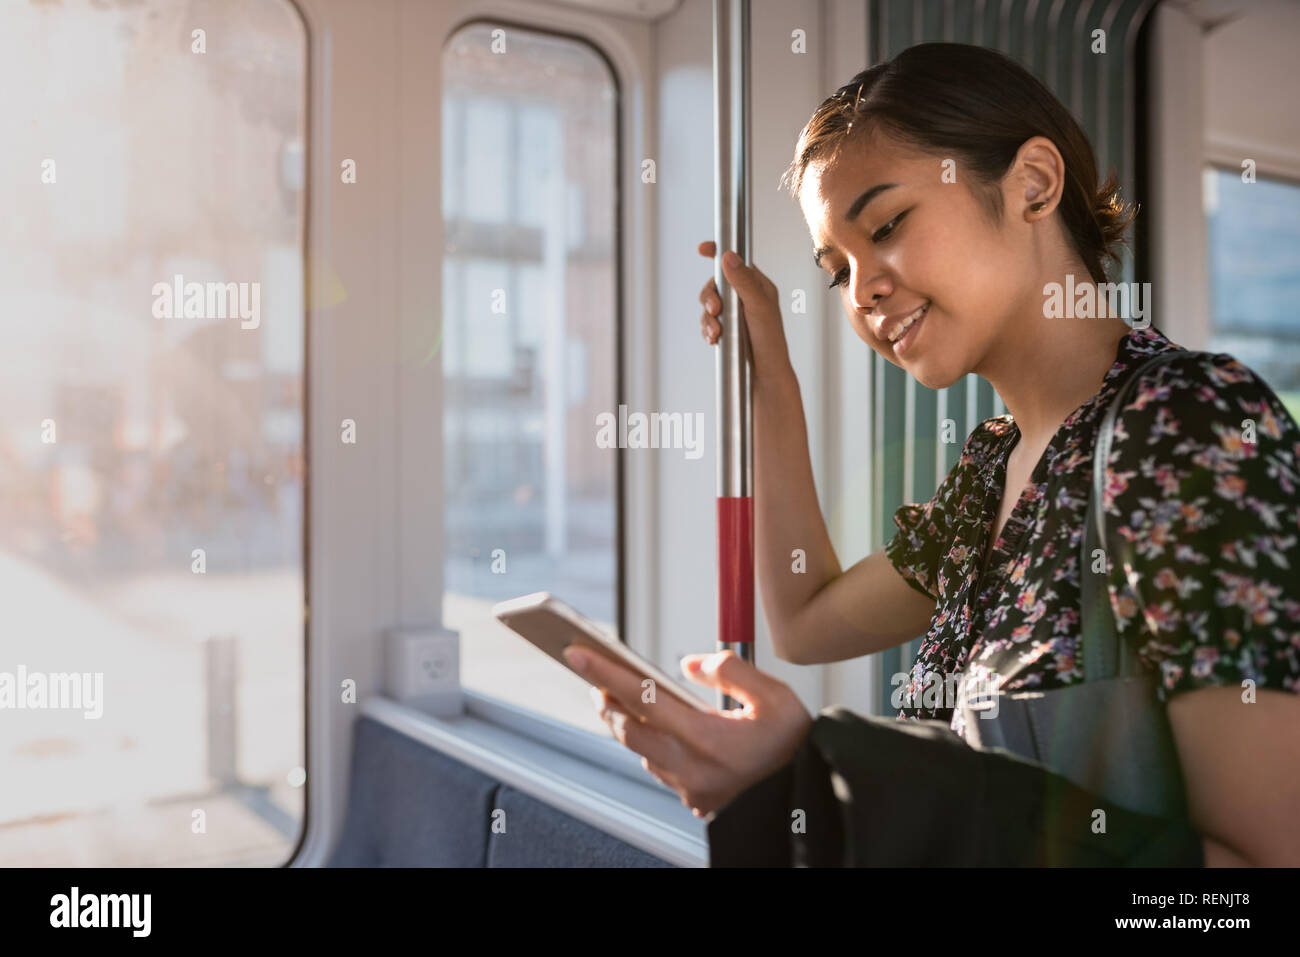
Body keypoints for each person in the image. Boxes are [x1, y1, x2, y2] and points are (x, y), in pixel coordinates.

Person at [565, 42, 1300, 866]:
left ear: (1033, 184)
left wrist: (822, 776)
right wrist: (768, 365)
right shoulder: (992, 470)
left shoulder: (1184, 424)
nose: (864, 288)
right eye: (838, 270)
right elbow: (805, 619)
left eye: (887, 226)